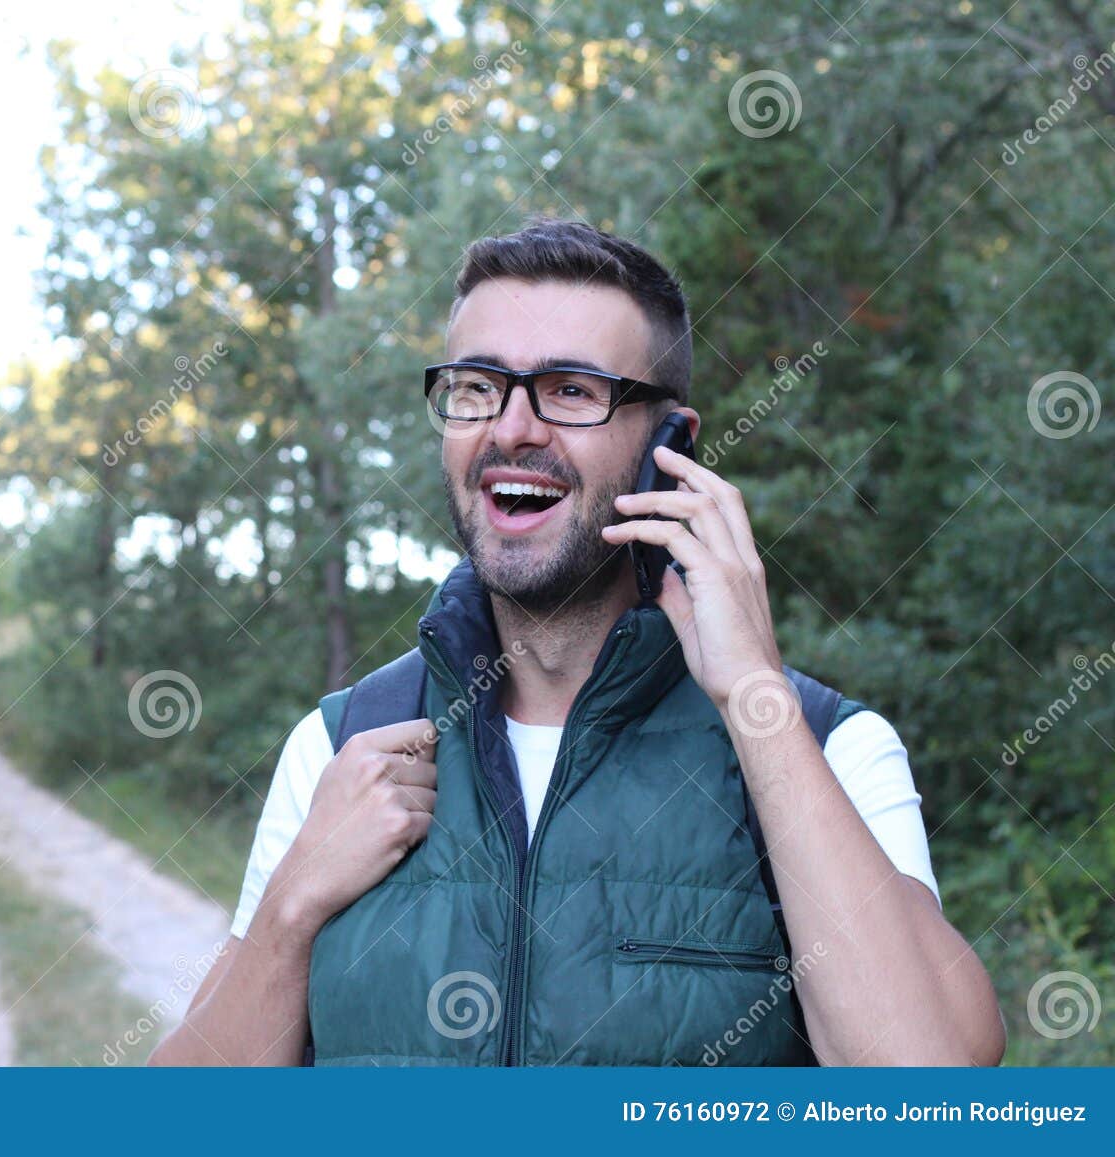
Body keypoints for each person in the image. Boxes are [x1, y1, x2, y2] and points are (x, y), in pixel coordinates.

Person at [149, 218, 1004, 1066]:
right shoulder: (340, 745)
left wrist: (756, 697)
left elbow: (932, 1090)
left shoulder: (827, 746)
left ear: (670, 448)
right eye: (478, 386)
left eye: (570, 389)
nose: (512, 428)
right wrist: (293, 902)